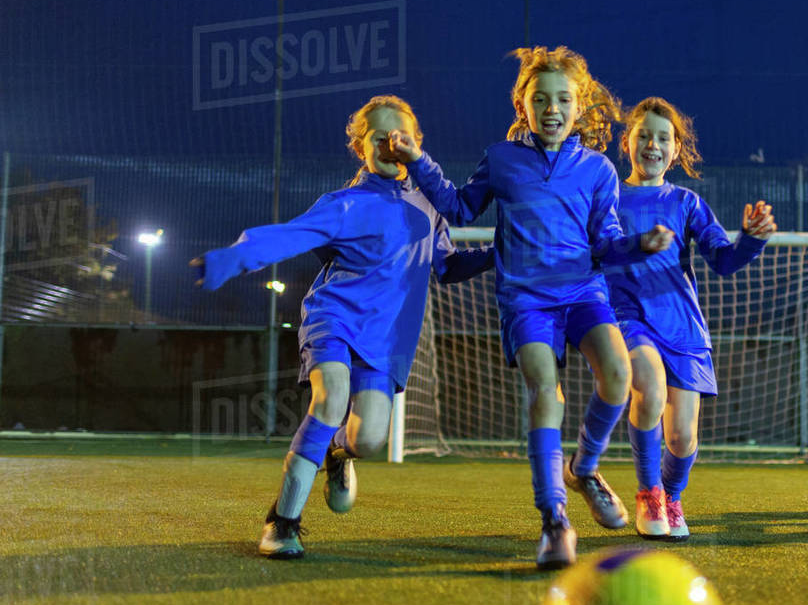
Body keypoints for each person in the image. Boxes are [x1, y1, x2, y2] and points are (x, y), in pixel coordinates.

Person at [388, 46, 673, 569]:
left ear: (579, 106)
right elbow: (457, 206)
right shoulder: (501, 159)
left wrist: (638, 245)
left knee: (618, 375)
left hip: (583, 292)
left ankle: (582, 469)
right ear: (522, 105)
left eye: (563, 99)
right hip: (526, 300)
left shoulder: (599, 170)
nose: (552, 108)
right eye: (540, 99)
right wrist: (416, 162)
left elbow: (606, 243)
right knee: (547, 391)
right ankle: (555, 521)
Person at [192, 95, 493, 559]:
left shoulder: (430, 208)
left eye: (402, 137)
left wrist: (498, 254)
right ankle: (283, 522)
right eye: (380, 137)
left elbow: (448, 267)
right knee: (330, 398)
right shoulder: (344, 205)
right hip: (333, 320)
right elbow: (289, 234)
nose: (392, 145)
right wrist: (234, 257)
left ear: (416, 143)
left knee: (368, 438)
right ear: (360, 147)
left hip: (387, 339)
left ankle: (338, 453)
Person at [603, 96, 776, 541]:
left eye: (664, 138)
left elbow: (722, 260)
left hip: (683, 327)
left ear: (677, 149)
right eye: (644, 135)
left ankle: (673, 495)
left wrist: (751, 240)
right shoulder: (608, 197)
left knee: (681, 437)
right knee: (649, 388)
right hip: (627, 317)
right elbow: (594, 253)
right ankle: (649, 495)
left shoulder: (687, 202)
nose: (653, 145)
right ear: (628, 142)